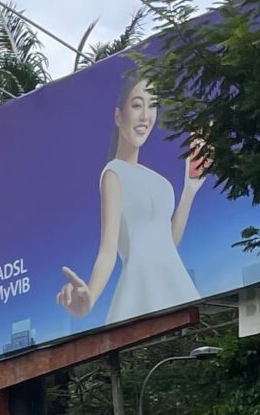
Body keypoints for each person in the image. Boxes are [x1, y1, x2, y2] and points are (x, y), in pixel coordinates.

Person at [57, 70, 208, 324]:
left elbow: (166, 242)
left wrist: (190, 190)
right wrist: (90, 297)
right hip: (140, 290)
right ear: (119, 116)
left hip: (174, 282)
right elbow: (108, 250)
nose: (145, 116)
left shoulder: (159, 181)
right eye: (137, 105)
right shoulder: (114, 174)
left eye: (152, 106)